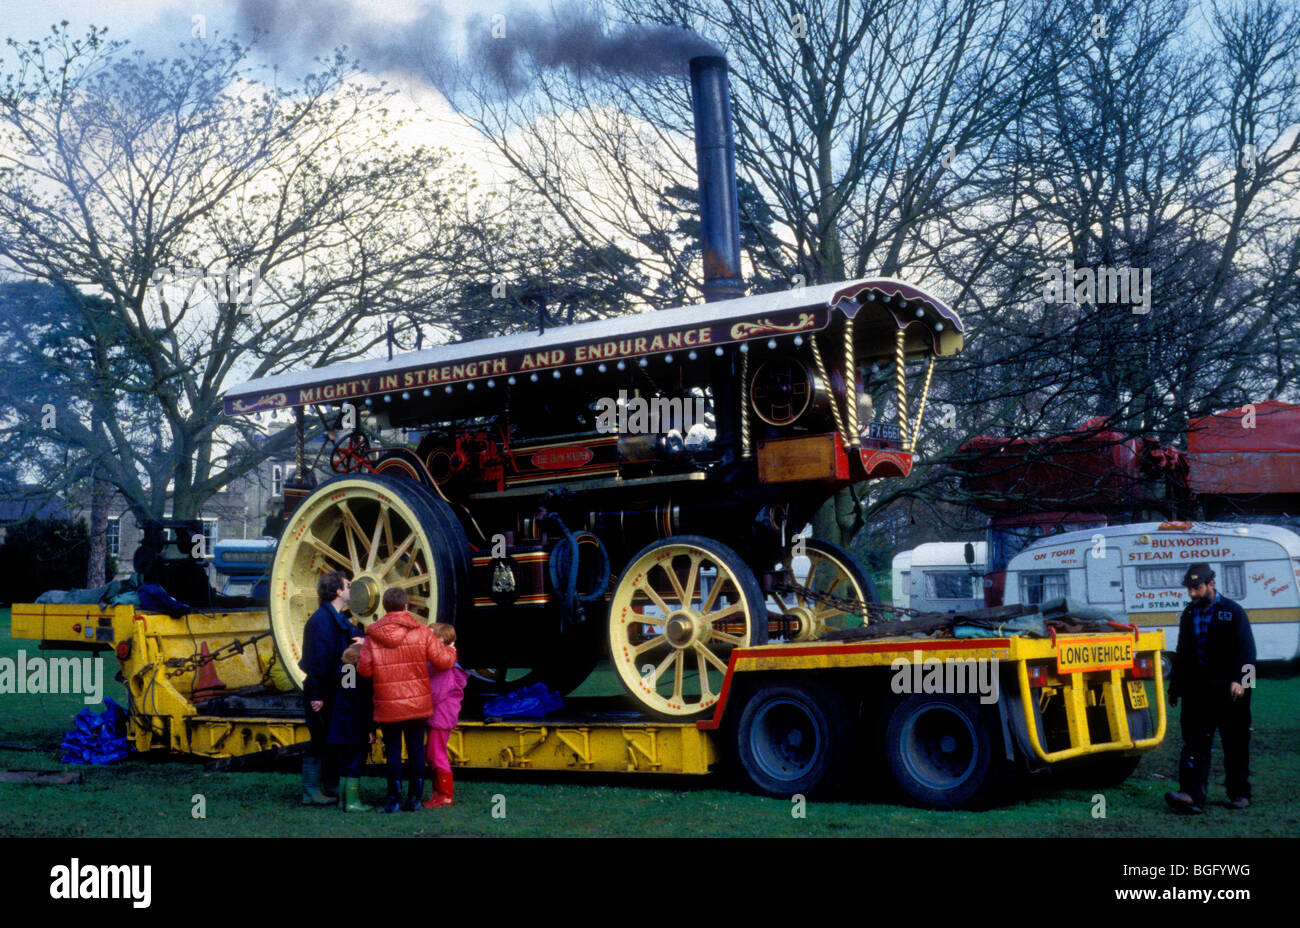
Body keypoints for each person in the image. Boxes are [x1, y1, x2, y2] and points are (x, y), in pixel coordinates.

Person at [1165, 564, 1256, 814]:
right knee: (1194, 743)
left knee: (1235, 744)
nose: (1192, 594)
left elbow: (1248, 650)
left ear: (1211, 584)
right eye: (1190, 589)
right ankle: (1191, 794)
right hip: (1198, 693)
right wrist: (1175, 689)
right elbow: (1182, 653)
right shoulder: (1189, 614)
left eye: (1197, 588)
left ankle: (1239, 793)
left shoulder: (1233, 612)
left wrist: (1243, 683)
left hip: (1231, 693)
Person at [358, 587, 457, 812]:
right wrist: (451, 651)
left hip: (388, 704)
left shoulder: (372, 636)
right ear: (405, 606)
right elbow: (443, 662)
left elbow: (364, 670)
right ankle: (414, 799)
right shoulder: (422, 632)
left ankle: (393, 800)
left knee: (393, 751)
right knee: (415, 751)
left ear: (384, 607)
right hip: (417, 705)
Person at [299, 571, 358, 806]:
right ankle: (311, 791)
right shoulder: (321, 622)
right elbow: (317, 661)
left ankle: (329, 786)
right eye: (348, 585)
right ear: (338, 592)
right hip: (323, 691)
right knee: (319, 740)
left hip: (333, 690)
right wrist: (317, 695)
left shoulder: (333, 618)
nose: (351, 589)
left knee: (332, 739)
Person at [422, 623, 468, 809]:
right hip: (442, 714)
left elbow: (437, 691)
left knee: (436, 754)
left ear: (441, 639)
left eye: (431, 635)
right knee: (434, 753)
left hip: (440, 714)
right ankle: (439, 794)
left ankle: (444, 795)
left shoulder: (442, 665)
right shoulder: (449, 662)